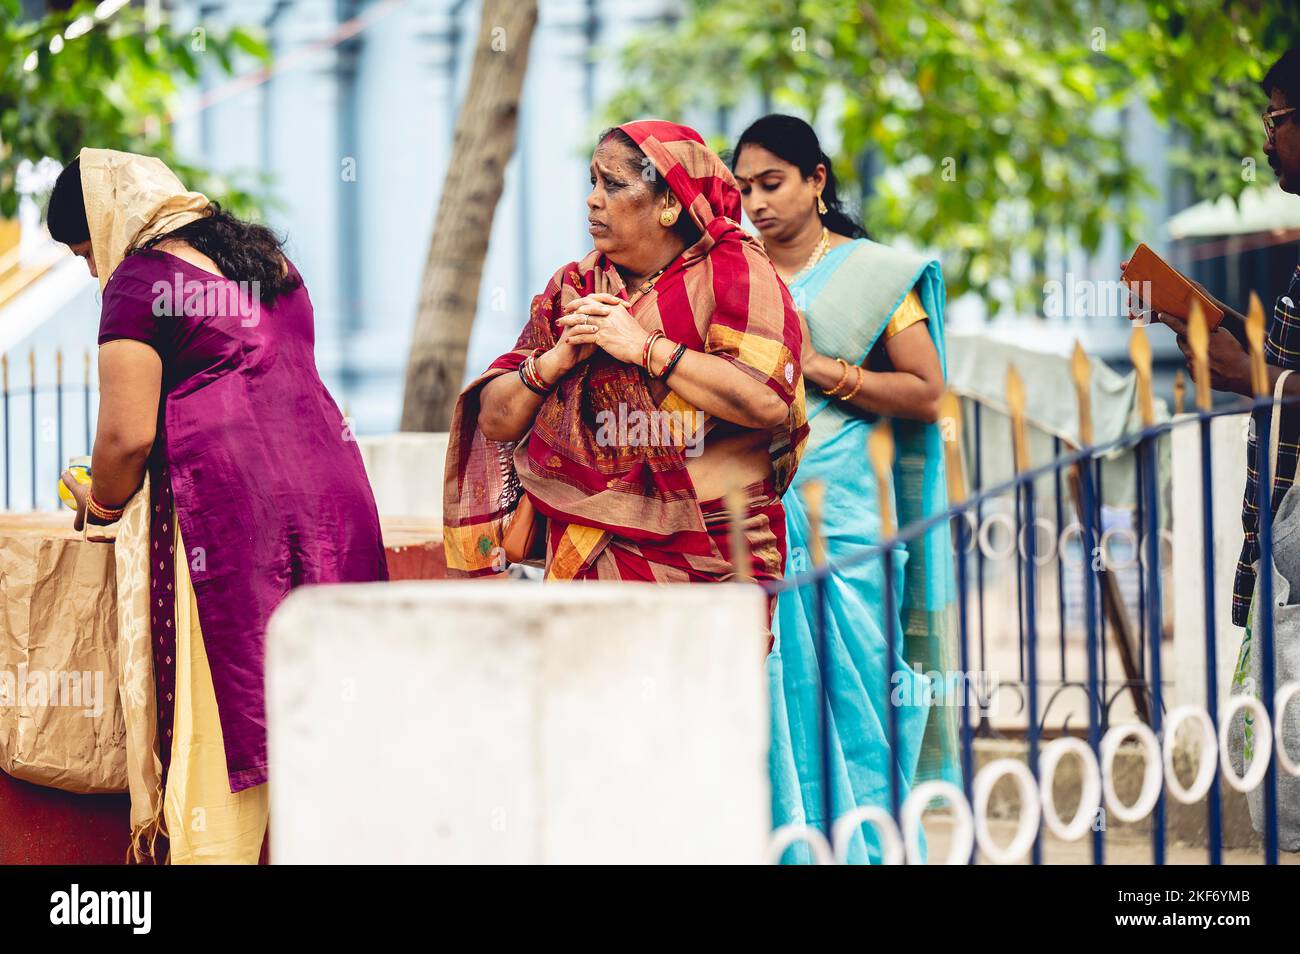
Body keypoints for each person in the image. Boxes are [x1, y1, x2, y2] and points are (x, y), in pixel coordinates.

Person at [46, 149, 389, 863]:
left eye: (85, 250)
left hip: (231, 519)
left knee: (224, 718)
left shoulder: (139, 281)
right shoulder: (268, 262)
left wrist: (100, 501)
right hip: (333, 499)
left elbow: (125, 437)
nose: (90, 269)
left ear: (109, 222)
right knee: (326, 709)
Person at [444, 120, 807, 603]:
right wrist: (554, 362)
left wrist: (643, 347)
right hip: (589, 550)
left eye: (613, 184)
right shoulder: (576, 288)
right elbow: (494, 419)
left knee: (701, 681)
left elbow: (764, 401)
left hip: (712, 556)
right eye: (592, 182)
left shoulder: (733, 270)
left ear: (670, 203)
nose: (593, 199)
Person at [731, 114, 960, 863]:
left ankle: (873, 850)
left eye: (772, 183)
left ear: (816, 180)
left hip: (849, 514)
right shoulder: (737, 272)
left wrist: (824, 370)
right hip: (755, 510)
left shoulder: (873, 274)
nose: (757, 203)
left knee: (861, 691)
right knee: (773, 693)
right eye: (743, 190)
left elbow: (929, 393)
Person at [1148, 46, 1300, 850]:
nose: (1267, 139)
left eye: (1275, 118)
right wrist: (1213, 340)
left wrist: (1258, 375)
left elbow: (1282, 380)